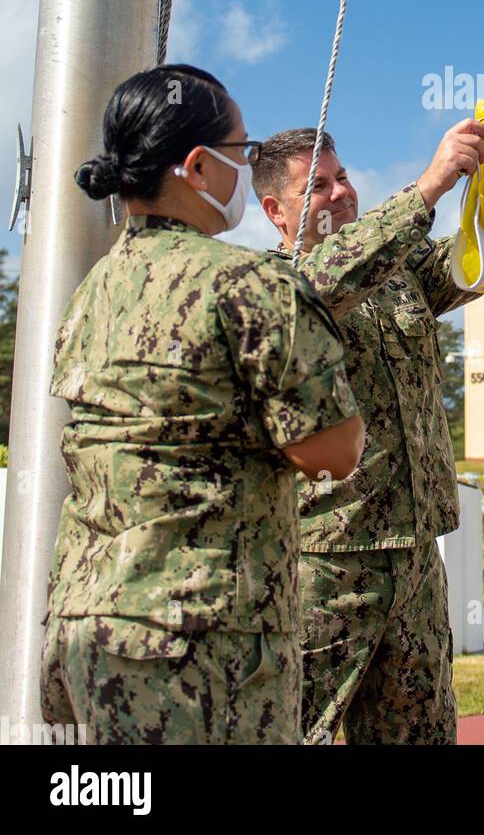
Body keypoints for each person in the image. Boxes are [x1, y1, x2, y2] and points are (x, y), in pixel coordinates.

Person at [40, 65, 364, 745]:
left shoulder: (90, 291)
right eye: (243, 152)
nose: (247, 169)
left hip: (98, 631)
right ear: (197, 165)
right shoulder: (247, 283)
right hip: (206, 651)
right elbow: (332, 453)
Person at [253, 118, 484, 745]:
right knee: (287, 731)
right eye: (320, 186)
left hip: (415, 554)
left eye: (344, 178)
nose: (341, 194)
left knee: (420, 735)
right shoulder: (267, 286)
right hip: (322, 564)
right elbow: (327, 283)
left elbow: (472, 263)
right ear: (275, 211)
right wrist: (429, 186)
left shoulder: (394, 271)